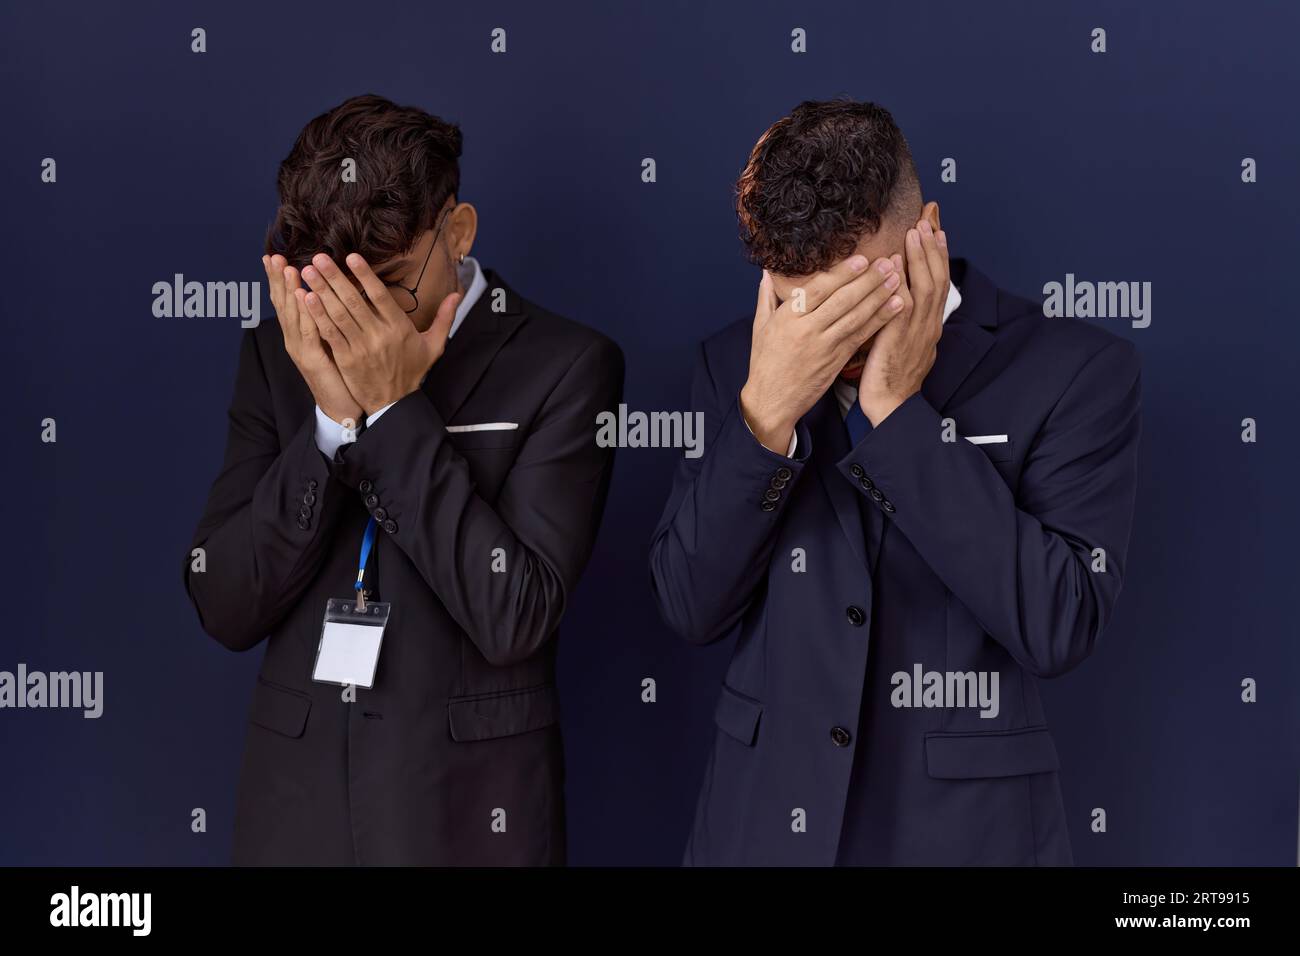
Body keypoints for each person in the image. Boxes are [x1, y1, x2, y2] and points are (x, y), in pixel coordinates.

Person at [650, 98, 1141, 865]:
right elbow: (690, 604)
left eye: (856, 302)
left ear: (926, 237)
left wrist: (898, 415)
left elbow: (1059, 621)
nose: (826, 336)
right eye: (796, 304)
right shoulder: (733, 368)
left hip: (964, 834)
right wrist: (766, 415)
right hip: (762, 828)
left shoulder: (1075, 371)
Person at [184, 94, 623, 865]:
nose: (353, 321)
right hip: (297, 811)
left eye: (385, 285)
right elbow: (223, 601)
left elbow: (515, 614)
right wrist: (326, 422)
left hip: (470, 812)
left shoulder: (567, 365)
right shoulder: (274, 356)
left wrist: (390, 410)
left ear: (457, 232)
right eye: (330, 291)